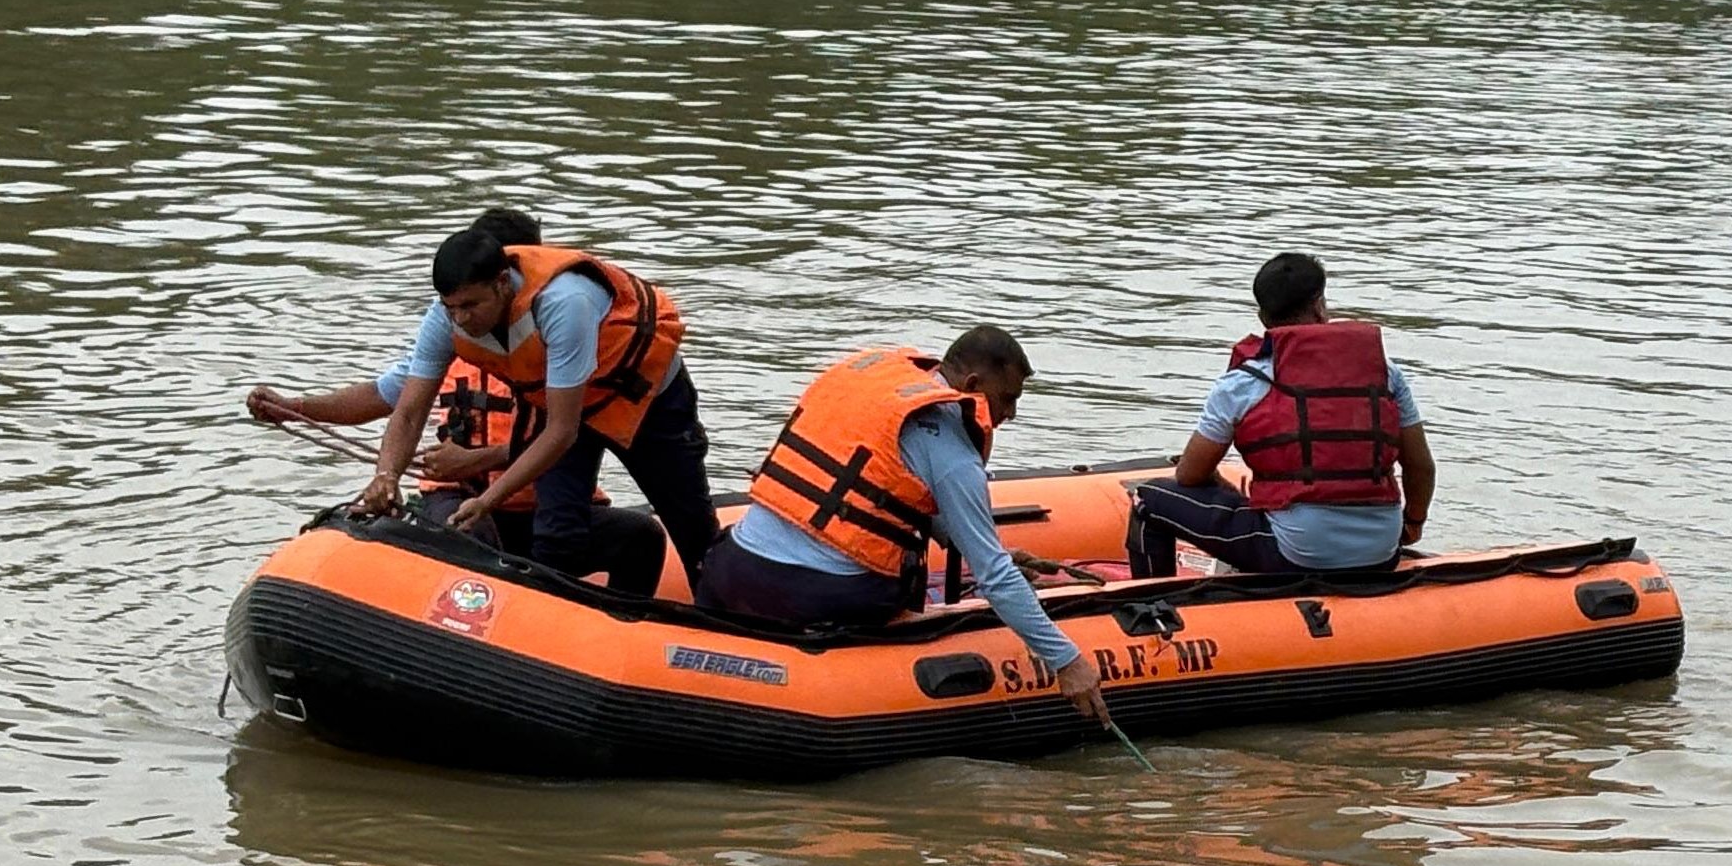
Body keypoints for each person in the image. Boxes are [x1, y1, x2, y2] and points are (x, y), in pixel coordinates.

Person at [696, 328, 1111, 726]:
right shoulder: (953, 452)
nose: (1010, 414)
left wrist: (992, 549)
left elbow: (871, 491)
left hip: (727, 571)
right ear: (972, 384)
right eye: (1008, 399)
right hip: (811, 598)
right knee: (906, 566)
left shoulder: (875, 386)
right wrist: (1067, 662)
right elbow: (996, 578)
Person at [354, 206, 722, 585]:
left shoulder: (562, 303)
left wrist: (487, 500)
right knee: (557, 538)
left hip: (642, 400)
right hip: (563, 402)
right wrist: (387, 474)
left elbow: (561, 432)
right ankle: (556, 616)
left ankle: (721, 600)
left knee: (691, 527)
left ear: (502, 284)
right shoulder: (444, 318)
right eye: (452, 308)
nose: (461, 319)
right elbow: (409, 410)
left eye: (471, 306)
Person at [1126, 250, 1433, 580]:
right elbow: (1420, 466)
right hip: (1381, 551)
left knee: (1147, 499)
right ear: (1320, 306)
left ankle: (1152, 603)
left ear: (1263, 318)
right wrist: (1412, 524)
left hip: (1293, 554)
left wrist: (1231, 495)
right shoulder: (1385, 373)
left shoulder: (1243, 383)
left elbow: (1190, 476)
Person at [245, 366, 669, 594]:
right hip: (459, 500)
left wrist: (477, 459)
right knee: (469, 540)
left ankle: (614, 640)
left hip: (547, 510)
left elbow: (573, 436)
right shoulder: (442, 352)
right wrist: (296, 407)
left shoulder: (561, 358)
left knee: (642, 538)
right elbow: (379, 396)